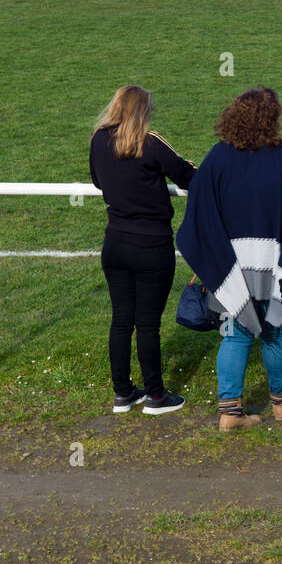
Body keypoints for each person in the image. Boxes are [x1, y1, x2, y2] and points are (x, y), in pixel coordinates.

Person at [176, 88, 282, 431]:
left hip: (228, 267)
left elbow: (199, 215)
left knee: (234, 334)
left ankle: (230, 413)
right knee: (277, 330)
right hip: (277, 266)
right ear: (273, 119)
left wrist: (208, 259)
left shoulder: (216, 160)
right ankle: (281, 405)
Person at [89, 85, 196, 417]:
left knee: (121, 320)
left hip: (115, 244)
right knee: (148, 324)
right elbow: (189, 177)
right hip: (152, 246)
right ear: (143, 112)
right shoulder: (150, 143)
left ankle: (123, 394)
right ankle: (155, 396)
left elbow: (97, 181)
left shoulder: (98, 140)